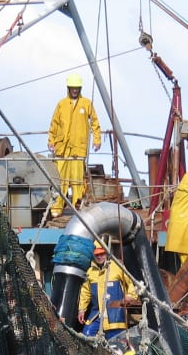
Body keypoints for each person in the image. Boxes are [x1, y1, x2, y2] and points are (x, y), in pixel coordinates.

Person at [47, 73, 102, 216]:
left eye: (77, 88)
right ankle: (56, 209)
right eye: (73, 88)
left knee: (78, 181)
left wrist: (97, 140)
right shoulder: (61, 104)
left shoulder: (87, 103)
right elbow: (54, 123)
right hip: (62, 150)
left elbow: (95, 123)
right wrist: (51, 141)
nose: (75, 90)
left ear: (80, 88)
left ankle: (79, 209)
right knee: (60, 181)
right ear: (68, 88)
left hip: (78, 149)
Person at [77, 241, 137, 338]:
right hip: (97, 314)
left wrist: (130, 296)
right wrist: (82, 310)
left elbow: (130, 282)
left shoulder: (116, 266)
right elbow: (86, 292)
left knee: (115, 343)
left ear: (106, 253)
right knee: (86, 336)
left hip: (115, 315)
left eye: (102, 254)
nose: (99, 257)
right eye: (97, 255)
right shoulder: (90, 272)